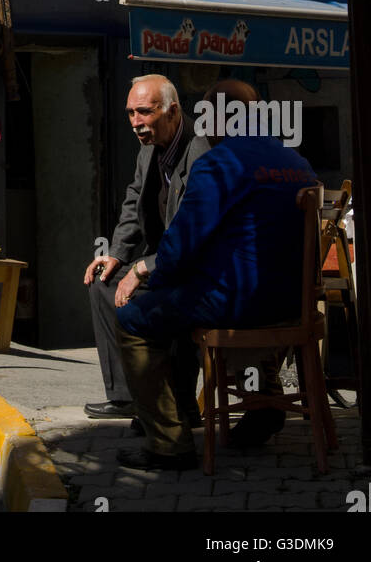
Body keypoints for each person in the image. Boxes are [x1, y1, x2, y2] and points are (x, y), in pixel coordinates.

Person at [114, 78, 318, 470]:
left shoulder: (219, 164)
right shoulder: (296, 162)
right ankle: (263, 402)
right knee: (215, 292)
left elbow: (178, 250)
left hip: (239, 305)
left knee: (132, 319)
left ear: (215, 117)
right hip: (294, 304)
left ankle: (169, 443)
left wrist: (140, 268)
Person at [83, 74, 211, 423]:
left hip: (191, 266)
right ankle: (127, 396)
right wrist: (117, 254)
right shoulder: (148, 150)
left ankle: (171, 407)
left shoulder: (199, 152)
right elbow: (133, 201)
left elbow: (191, 234)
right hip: (161, 258)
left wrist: (143, 269)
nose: (136, 123)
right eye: (130, 113)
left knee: (150, 302)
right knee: (102, 283)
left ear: (172, 111)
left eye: (144, 112)